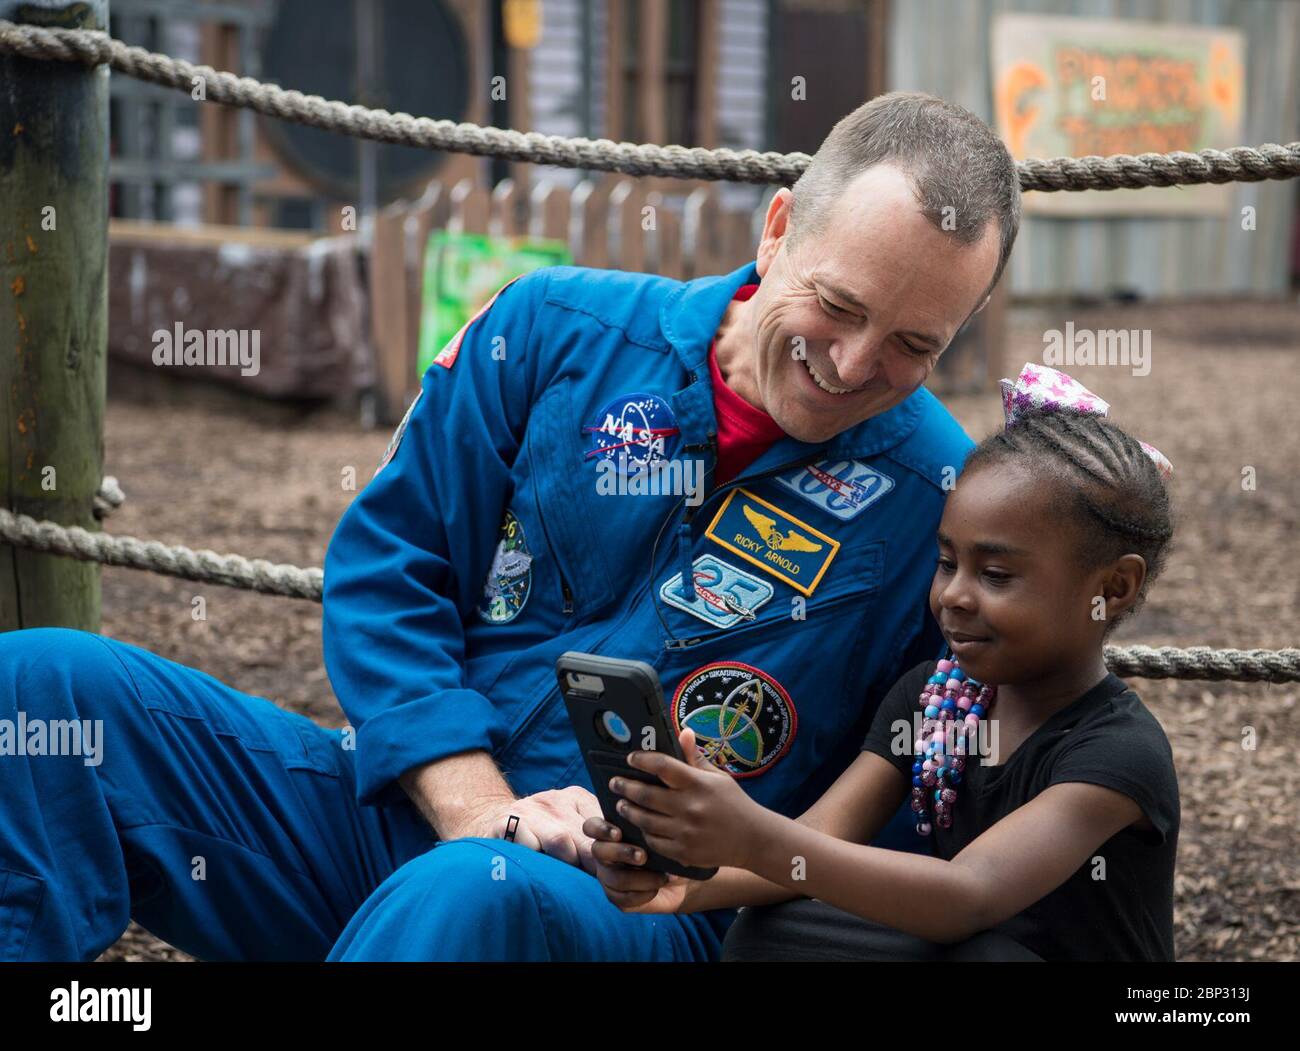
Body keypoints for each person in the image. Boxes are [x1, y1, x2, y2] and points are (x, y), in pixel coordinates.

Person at [0, 92, 1020, 962]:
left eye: (912, 345)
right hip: (404, 815)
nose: (851, 366)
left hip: (632, 916)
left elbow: (927, 797)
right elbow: (392, 567)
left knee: (477, 889)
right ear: (779, 225)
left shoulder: (943, 499)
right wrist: (475, 804)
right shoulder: (548, 330)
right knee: (43, 691)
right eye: (837, 306)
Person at [585, 366, 1180, 962]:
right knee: (777, 932)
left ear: (1115, 586)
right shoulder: (936, 700)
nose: (953, 595)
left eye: (995, 575)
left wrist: (752, 834)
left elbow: (967, 897)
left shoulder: (1119, 752)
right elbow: (816, 842)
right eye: (947, 563)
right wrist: (684, 880)